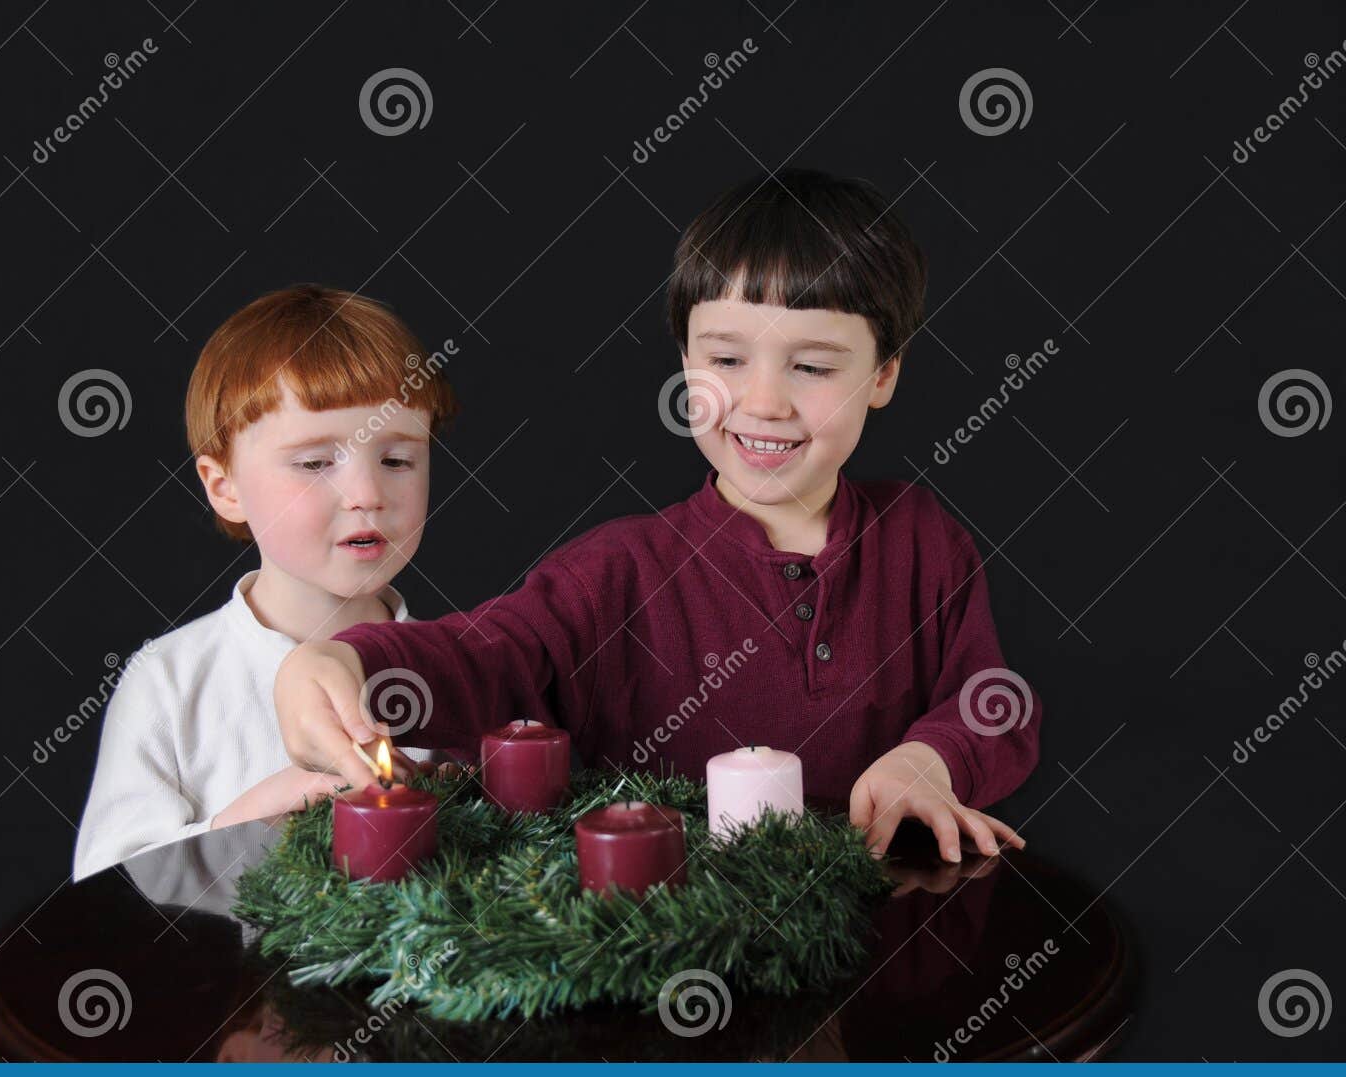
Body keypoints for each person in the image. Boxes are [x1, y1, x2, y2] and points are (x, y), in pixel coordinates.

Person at [274, 170, 1037, 865]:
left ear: (883, 373)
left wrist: (930, 759)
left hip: (890, 954)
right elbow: (487, 654)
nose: (763, 401)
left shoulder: (922, 538)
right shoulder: (616, 571)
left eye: (811, 366)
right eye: (728, 359)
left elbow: (993, 701)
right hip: (669, 966)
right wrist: (350, 661)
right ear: (685, 360)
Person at [72, 285, 456, 879]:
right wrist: (257, 817)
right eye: (314, 463)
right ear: (225, 486)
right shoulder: (170, 682)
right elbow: (104, 890)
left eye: (397, 460)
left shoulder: (462, 670)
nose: (367, 495)